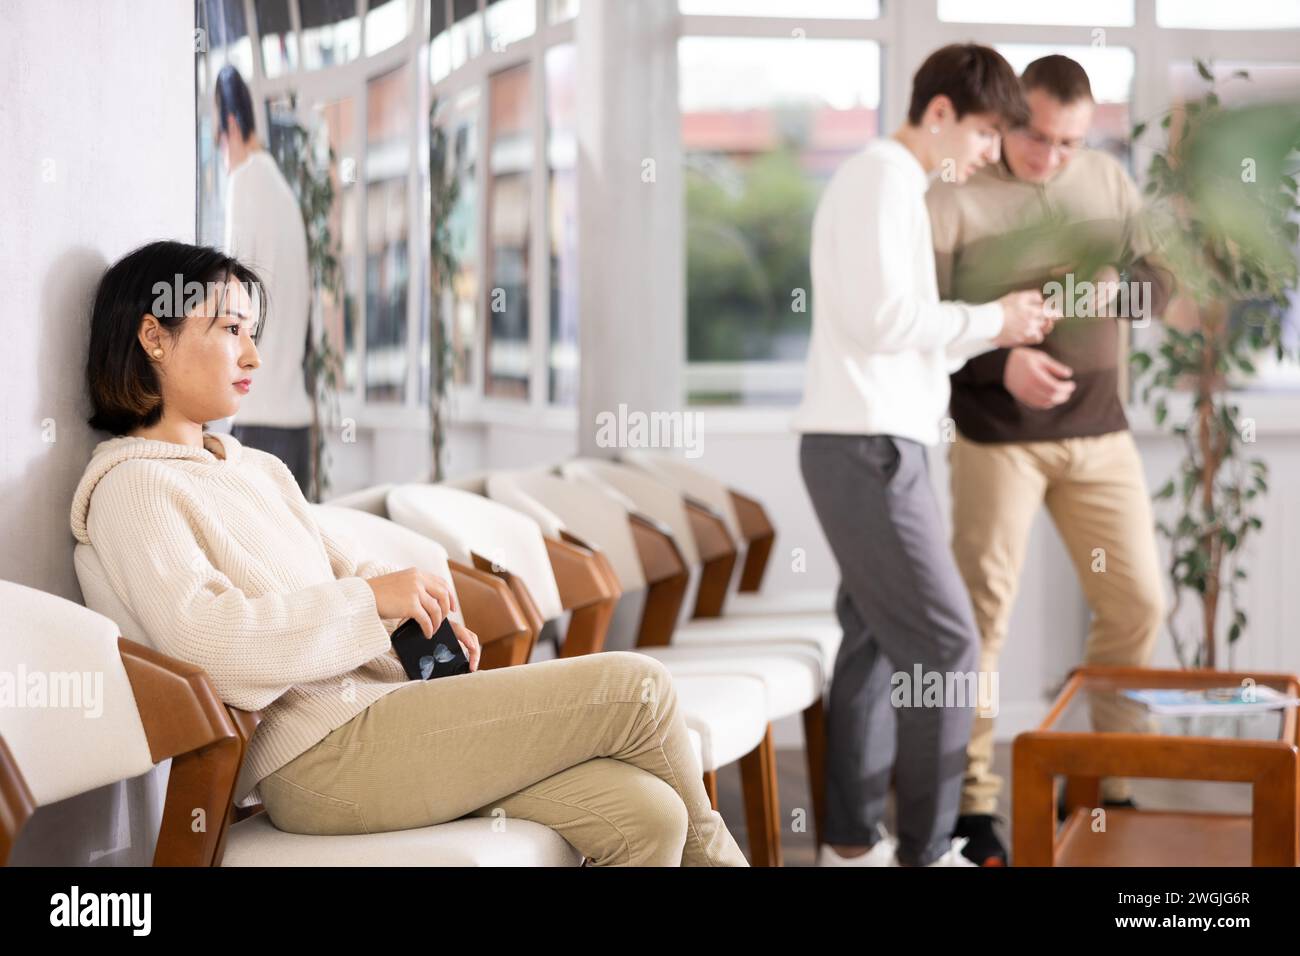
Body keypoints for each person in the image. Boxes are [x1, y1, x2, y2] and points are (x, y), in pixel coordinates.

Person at [73, 240, 747, 867]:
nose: (252, 357)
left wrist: (410, 621)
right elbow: (211, 649)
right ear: (154, 337)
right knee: (638, 688)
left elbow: (350, 575)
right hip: (319, 760)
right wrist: (374, 602)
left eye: (253, 333)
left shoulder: (253, 469)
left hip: (385, 721)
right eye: (229, 331)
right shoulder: (134, 490)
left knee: (649, 816)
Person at [791, 44, 1051, 867]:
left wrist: (996, 326)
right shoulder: (882, 178)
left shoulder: (894, 183)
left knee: (872, 639)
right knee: (948, 645)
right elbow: (884, 321)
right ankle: (928, 851)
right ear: (938, 114)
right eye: (982, 135)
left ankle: (849, 844)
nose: (986, 155)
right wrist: (989, 321)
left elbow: (899, 336)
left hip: (873, 439)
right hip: (867, 446)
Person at [927, 54, 1174, 865]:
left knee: (1138, 602)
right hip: (999, 439)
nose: (1050, 158)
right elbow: (922, 325)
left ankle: (1102, 780)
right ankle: (973, 809)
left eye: (1069, 142)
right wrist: (1001, 365)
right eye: (1036, 136)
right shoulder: (958, 192)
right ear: (1009, 116)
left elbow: (1159, 290)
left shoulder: (1104, 182)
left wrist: (1119, 284)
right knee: (981, 621)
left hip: (1100, 434)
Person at [215, 65, 315, 496]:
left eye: (218, 139)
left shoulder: (244, 183)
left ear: (232, 126)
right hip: (296, 425)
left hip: (258, 422)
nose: (221, 153)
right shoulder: (284, 193)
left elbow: (228, 301)